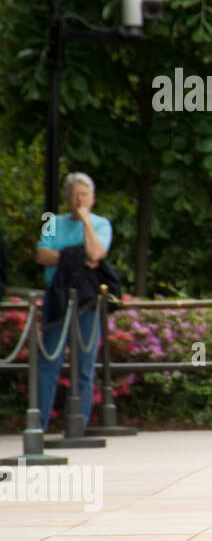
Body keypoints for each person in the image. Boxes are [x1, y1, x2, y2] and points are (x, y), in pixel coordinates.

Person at [35, 172, 113, 430]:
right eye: (75, 194)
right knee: (48, 360)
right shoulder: (51, 221)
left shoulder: (101, 224)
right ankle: (40, 423)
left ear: (93, 198)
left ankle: (78, 424)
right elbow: (41, 255)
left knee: (84, 363)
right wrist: (74, 257)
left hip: (87, 300)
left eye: (84, 195)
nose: (79, 200)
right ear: (67, 197)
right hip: (55, 295)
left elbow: (95, 255)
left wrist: (86, 224)